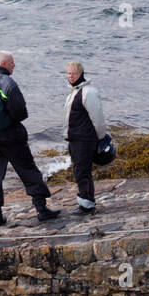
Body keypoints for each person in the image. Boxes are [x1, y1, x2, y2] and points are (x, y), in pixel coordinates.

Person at [0, 51, 59, 227]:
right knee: (28, 169)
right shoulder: (8, 83)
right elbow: (21, 113)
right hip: (11, 136)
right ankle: (41, 210)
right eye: (12, 63)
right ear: (4, 63)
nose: (14, 65)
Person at [62, 61, 107, 215]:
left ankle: (87, 204)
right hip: (75, 139)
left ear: (80, 74)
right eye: (68, 73)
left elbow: (98, 118)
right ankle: (85, 201)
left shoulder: (88, 92)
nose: (70, 76)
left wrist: (101, 137)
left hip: (85, 140)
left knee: (82, 171)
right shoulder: (74, 92)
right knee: (79, 170)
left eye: (73, 73)